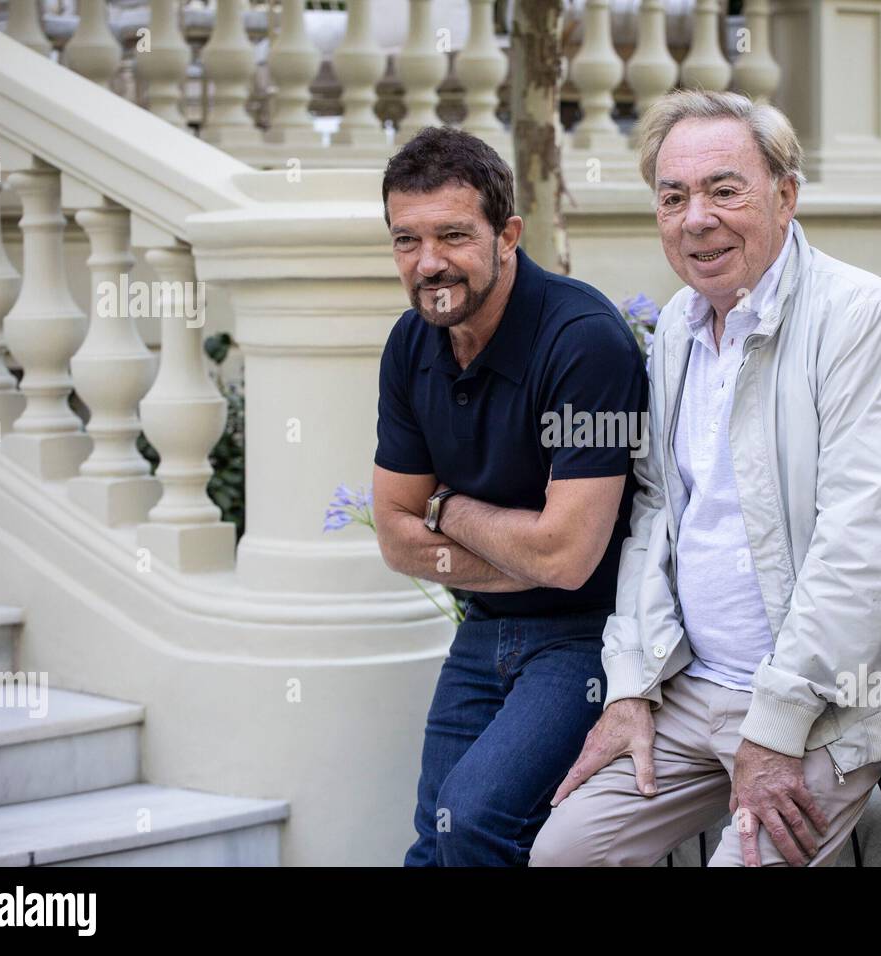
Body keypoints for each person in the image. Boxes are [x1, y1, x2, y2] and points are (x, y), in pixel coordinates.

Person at [531, 90, 881, 867]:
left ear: (785, 195)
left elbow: (862, 544)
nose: (697, 218)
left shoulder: (859, 316)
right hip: (692, 690)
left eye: (725, 190)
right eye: (673, 197)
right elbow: (656, 514)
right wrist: (629, 683)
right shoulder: (677, 329)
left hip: (828, 700)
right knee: (564, 854)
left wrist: (777, 724)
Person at [372, 126, 647, 866]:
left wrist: (447, 509)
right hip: (485, 628)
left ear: (508, 235)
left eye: (454, 235)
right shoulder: (410, 345)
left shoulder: (585, 342)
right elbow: (393, 535)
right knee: (434, 841)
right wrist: (526, 555)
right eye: (407, 240)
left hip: (584, 636)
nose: (429, 264)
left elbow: (570, 559)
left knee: (474, 821)